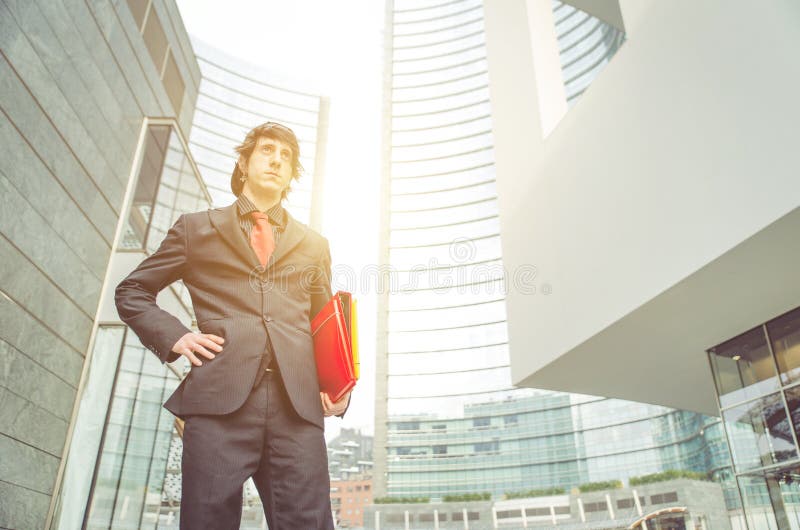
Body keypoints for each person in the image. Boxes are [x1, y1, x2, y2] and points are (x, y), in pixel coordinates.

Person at [115, 122, 349, 529]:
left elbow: (325, 324)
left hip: (297, 409)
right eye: (267, 151)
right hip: (218, 403)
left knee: (309, 524)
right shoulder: (196, 229)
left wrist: (339, 386)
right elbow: (132, 290)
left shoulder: (314, 245)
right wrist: (178, 337)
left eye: (286, 156)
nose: (277, 160)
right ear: (244, 161)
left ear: (292, 174)